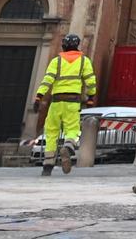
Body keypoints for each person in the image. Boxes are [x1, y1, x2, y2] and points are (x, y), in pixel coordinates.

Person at [33, 32, 97, 176]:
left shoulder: (56, 61)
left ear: (63, 45)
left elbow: (47, 80)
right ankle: (68, 147)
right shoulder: (84, 61)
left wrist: (39, 97)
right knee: (72, 130)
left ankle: (47, 167)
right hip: (73, 102)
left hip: (56, 101)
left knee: (51, 132)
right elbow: (91, 81)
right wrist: (91, 97)